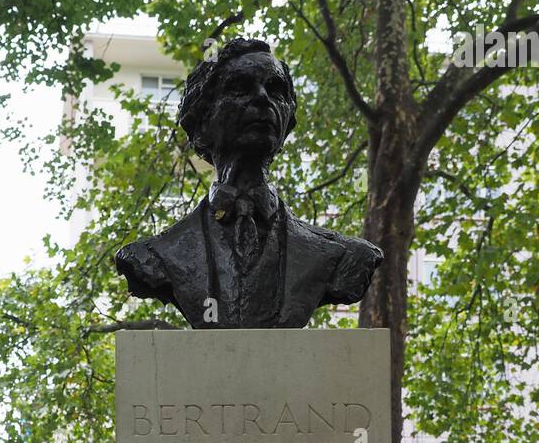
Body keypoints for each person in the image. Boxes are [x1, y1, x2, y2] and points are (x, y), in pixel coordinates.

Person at [115, 36, 382, 329]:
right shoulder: (154, 257)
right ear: (201, 124)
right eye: (240, 88)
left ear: (286, 123)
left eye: (275, 90)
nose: (262, 98)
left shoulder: (344, 257)